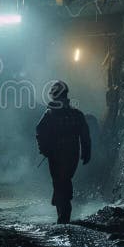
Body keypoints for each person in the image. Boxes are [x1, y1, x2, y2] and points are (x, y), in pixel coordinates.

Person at [36, 81, 91, 224]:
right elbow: (84, 134)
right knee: (63, 181)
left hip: (57, 156)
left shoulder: (50, 114)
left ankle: (63, 216)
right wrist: (86, 151)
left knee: (61, 182)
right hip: (70, 156)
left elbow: (40, 131)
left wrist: (45, 149)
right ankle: (63, 213)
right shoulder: (76, 114)